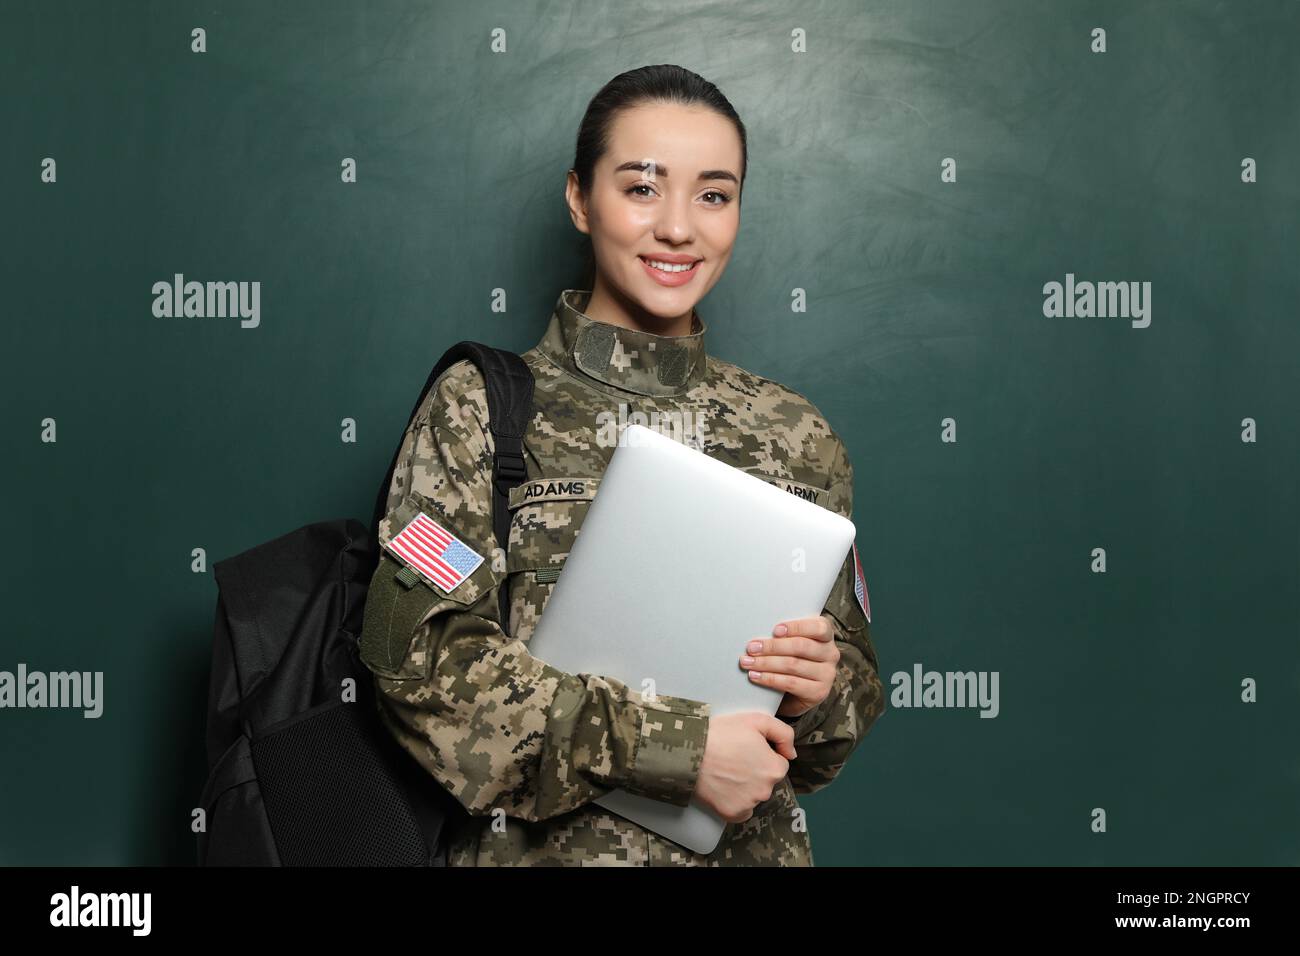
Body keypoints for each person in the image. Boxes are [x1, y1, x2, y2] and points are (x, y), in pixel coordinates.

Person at [359, 64, 884, 866]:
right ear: (580, 199)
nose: (679, 228)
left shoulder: (800, 435)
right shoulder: (481, 407)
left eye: (714, 194)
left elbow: (834, 735)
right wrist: (680, 750)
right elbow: (421, 667)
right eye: (642, 187)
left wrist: (820, 690)